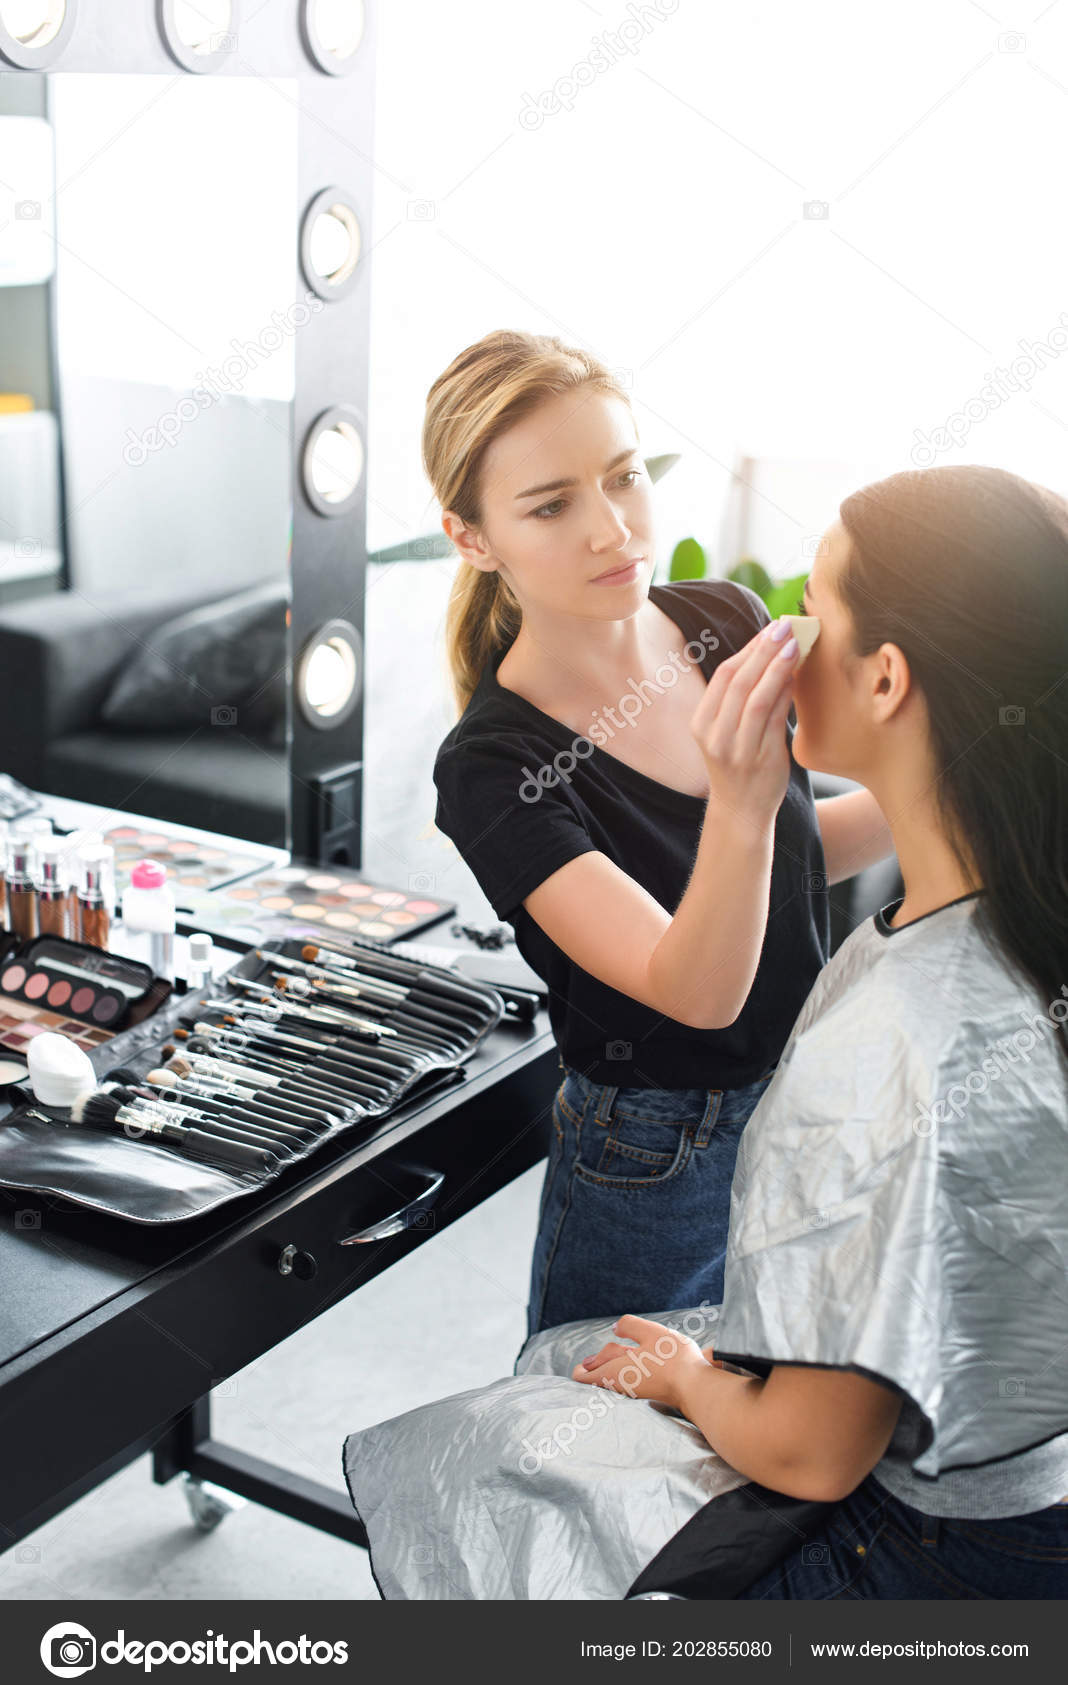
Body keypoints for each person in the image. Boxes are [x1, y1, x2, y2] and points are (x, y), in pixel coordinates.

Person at [344, 465, 1068, 1600]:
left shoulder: (890, 1035)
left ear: (886, 677)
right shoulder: (1008, 926)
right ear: (472, 536)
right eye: (548, 501)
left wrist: (691, 1378)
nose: (782, 630)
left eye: (817, 610)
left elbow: (816, 1449)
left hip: (942, 1557)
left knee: (492, 1456)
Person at [427, 329, 892, 1333]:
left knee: (761, 1428)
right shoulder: (492, 767)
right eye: (551, 505)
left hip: (798, 1100)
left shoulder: (720, 620)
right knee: (605, 1447)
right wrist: (738, 794)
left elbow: (801, 852)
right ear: (472, 536)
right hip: (656, 1150)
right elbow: (696, 990)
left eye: (625, 477)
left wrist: (949, 774)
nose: (612, 530)